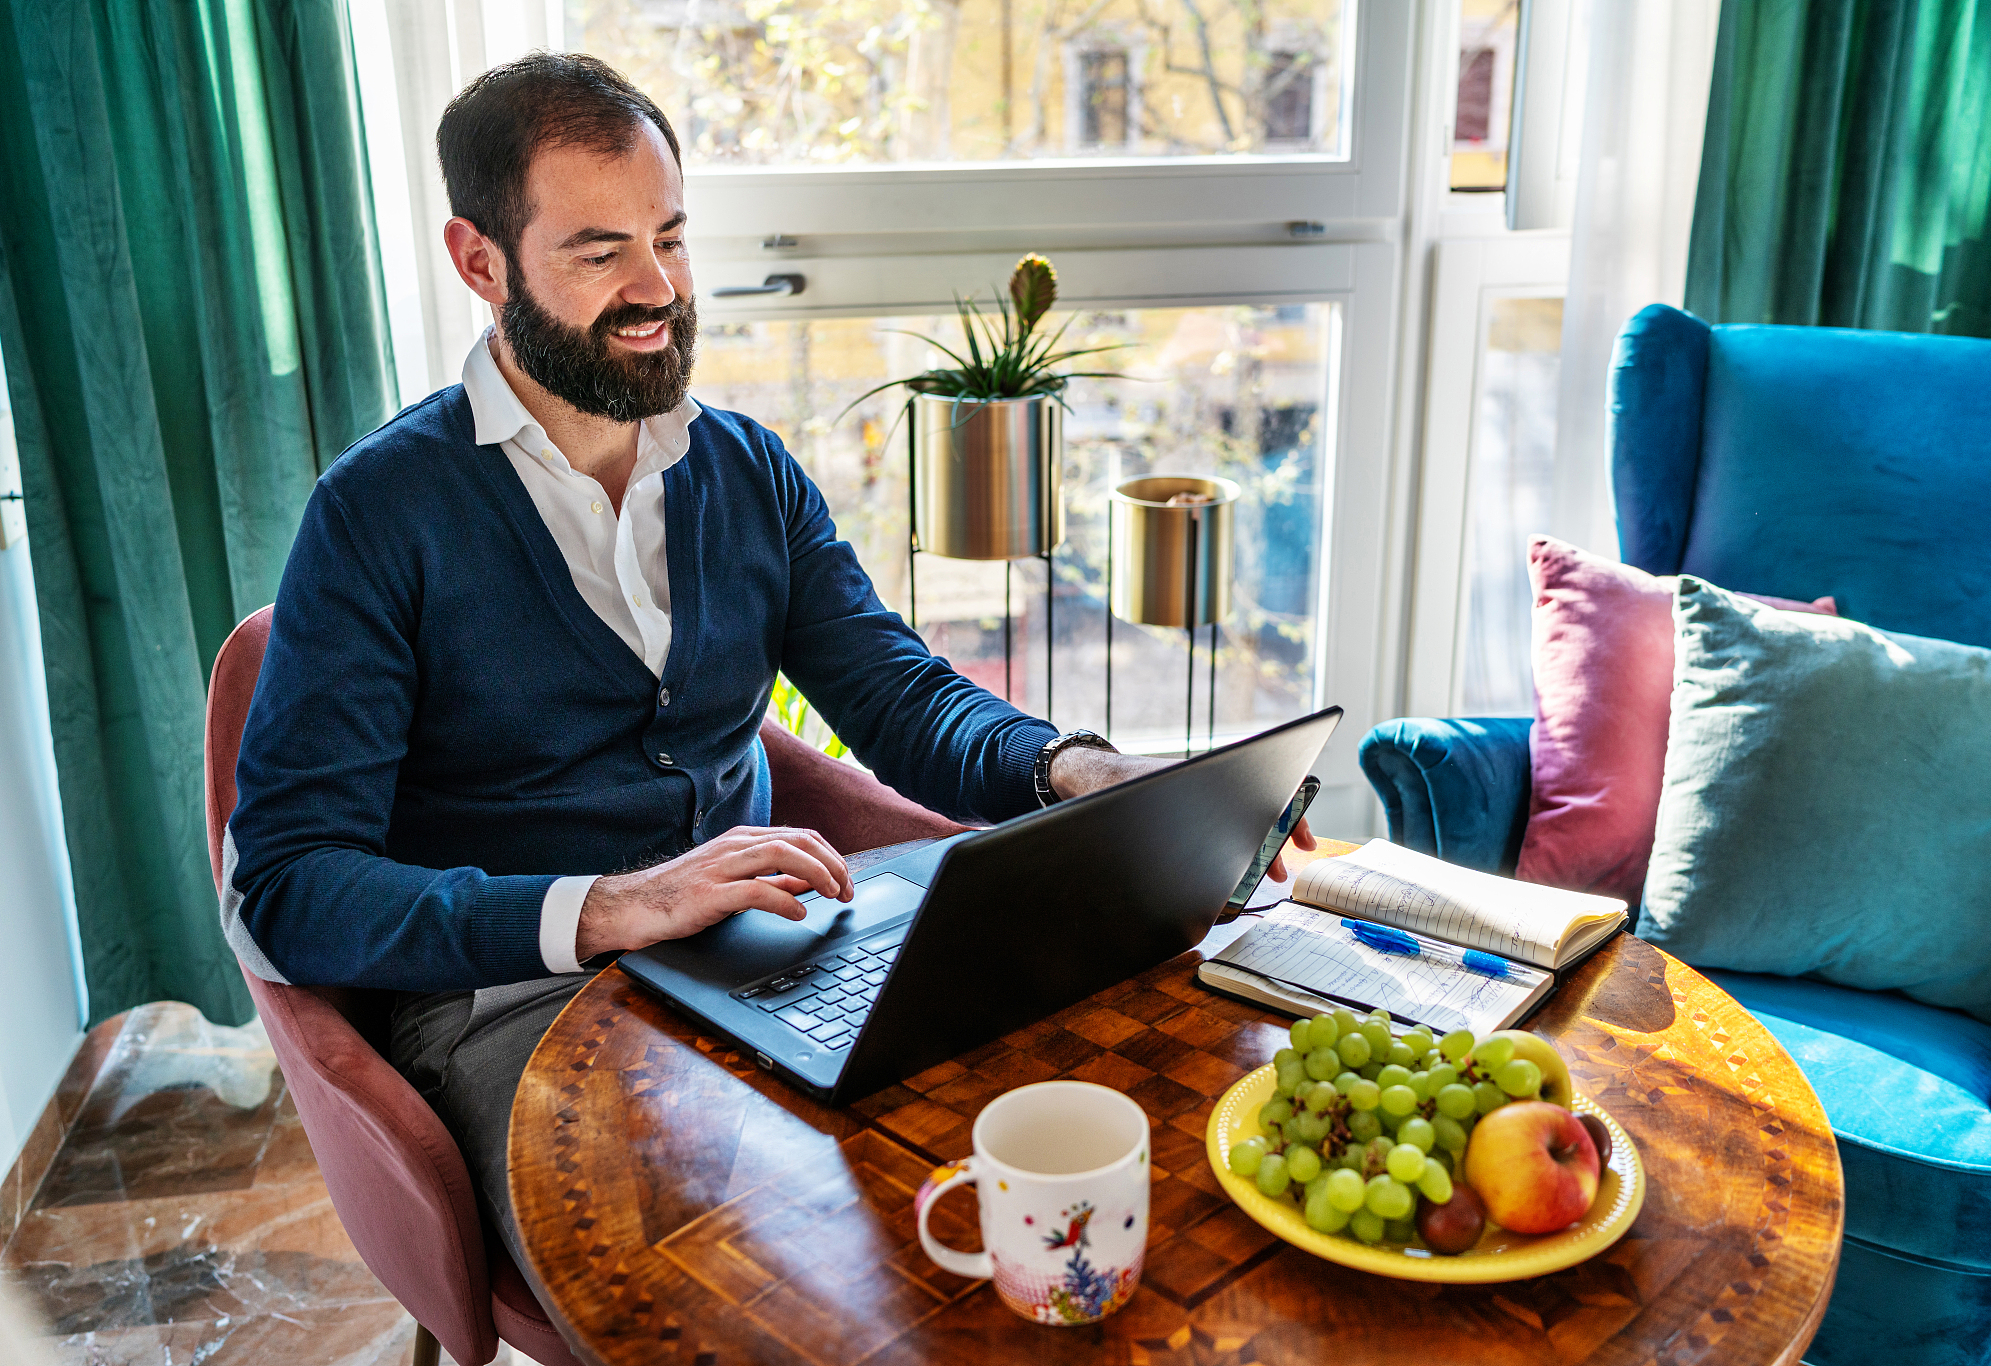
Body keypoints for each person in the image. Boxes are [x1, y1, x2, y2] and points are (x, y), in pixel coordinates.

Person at [218, 52, 1310, 1289]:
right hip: (512, 1007)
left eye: (671, 238)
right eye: (598, 252)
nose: (656, 290)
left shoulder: (745, 469)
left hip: (767, 955)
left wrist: (1075, 768)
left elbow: (897, 695)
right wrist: (608, 904)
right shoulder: (377, 514)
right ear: (481, 262)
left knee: (1024, 1163)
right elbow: (284, 892)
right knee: (730, 1280)